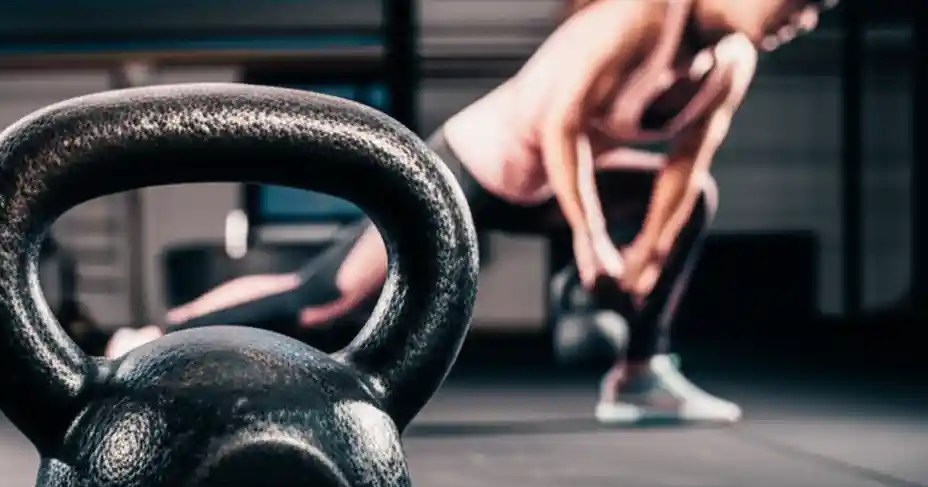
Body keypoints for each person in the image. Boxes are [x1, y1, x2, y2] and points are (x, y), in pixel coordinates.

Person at [104, 0, 837, 425]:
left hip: (554, 185)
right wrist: (592, 245)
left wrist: (644, 258)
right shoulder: (643, 15)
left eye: (819, 10)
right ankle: (155, 338)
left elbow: (685, 166)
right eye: (799, 0)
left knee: (696, 201)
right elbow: (560, 125)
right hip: (476, 164)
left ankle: (639, 373)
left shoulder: (733, 60)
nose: (802, 18)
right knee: (326, 300)